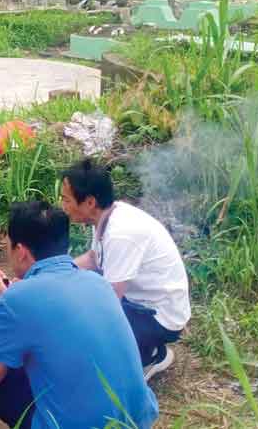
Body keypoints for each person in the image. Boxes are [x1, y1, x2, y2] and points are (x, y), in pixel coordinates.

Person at [0, 201, 159, 429]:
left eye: (8, 244)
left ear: (21, 252)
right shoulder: (98, 282)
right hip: (136, 419)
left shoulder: (18, 299)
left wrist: (7, 305)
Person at [62, 159, 191, 380]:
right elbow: (93, 258)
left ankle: (151, 356)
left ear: (90, 202)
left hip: (160, 315)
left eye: (66, 199)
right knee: (80, 295)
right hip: (140, 299)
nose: (63, 205)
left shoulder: (121, 233)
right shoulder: (107, 216)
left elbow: (110, 303)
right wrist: (52, 274)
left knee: (88, 331)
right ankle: (139, 349)